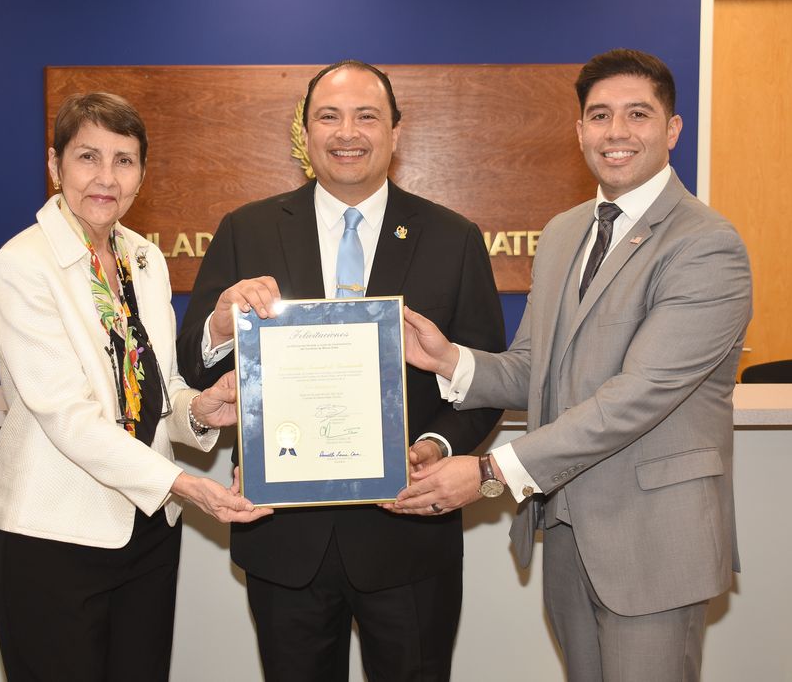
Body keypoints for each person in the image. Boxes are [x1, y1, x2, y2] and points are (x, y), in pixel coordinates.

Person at [391, 49, 752, 681]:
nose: (616, 132)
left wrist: (489, 470)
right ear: (579, 130)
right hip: (567, 530)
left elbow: (637, 396)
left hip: (654, 542)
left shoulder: (705, 244)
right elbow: (536, 367)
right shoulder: (564, 232)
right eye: (599, 115)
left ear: (672, 130)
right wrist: (450, 360)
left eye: (637, 114)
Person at [177, 60, 505, 681]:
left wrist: (437, 446)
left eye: (366, 116)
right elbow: (192, 366)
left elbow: (486, 382)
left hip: (409, 534)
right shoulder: (246, 230)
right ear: (305, 132)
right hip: (286, 543)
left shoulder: (452, 237)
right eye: (328, 116)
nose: (346, 132)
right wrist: (222, 324)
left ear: (395, 133)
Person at [0, 92, 271, 682]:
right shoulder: (22, 264)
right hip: (56, 537)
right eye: (88, 157)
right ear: (54, 164)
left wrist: (199, 409)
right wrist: (185, 485)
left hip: (147, 535)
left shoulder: (143, 257)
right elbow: (70, 416)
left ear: (142, 173)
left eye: (125, 160)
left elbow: (157, 387)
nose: (106, 178)